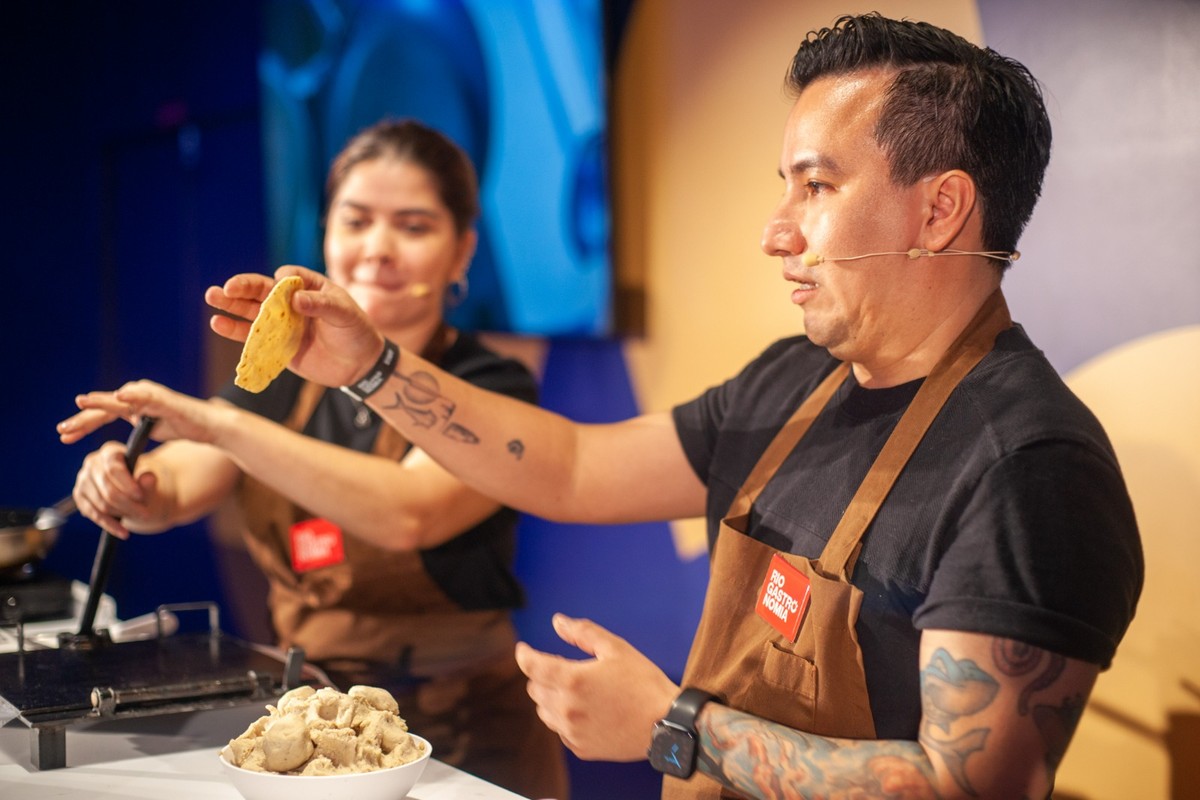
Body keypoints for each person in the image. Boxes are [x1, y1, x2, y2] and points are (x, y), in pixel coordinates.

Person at [98, 13, 1143, 799]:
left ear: (941, 209)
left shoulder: (1029, 466)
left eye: (815, 188)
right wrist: (370, 365)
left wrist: (675, 724)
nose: (777, 231)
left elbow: (976, 784)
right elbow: (572, 467)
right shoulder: (795, 378)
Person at [56, 119, 569, 799]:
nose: (377, 250)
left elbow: (408, 515)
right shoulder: (285, 374)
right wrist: (131, 486)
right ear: (326, 231)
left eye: (413, 227)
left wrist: (221, 427)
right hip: (315, 725)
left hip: (471, 731)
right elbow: (183, 479)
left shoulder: (490, 387)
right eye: (355, 222)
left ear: (461, 251)